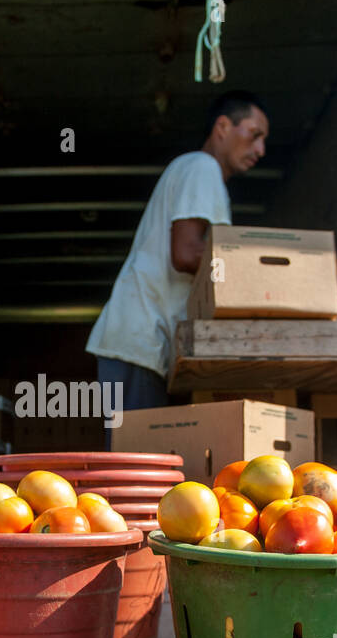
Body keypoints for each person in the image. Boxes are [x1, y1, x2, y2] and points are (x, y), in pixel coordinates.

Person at [87, 90, 269, 412]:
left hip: (140, 344)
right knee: (135, 458)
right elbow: (185, 254)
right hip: (139, 342)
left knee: (140, 456)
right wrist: (254, 275)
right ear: (223, 126)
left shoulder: (200, 172)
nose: (260, 150)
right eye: (254, 135)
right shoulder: (202, 167)